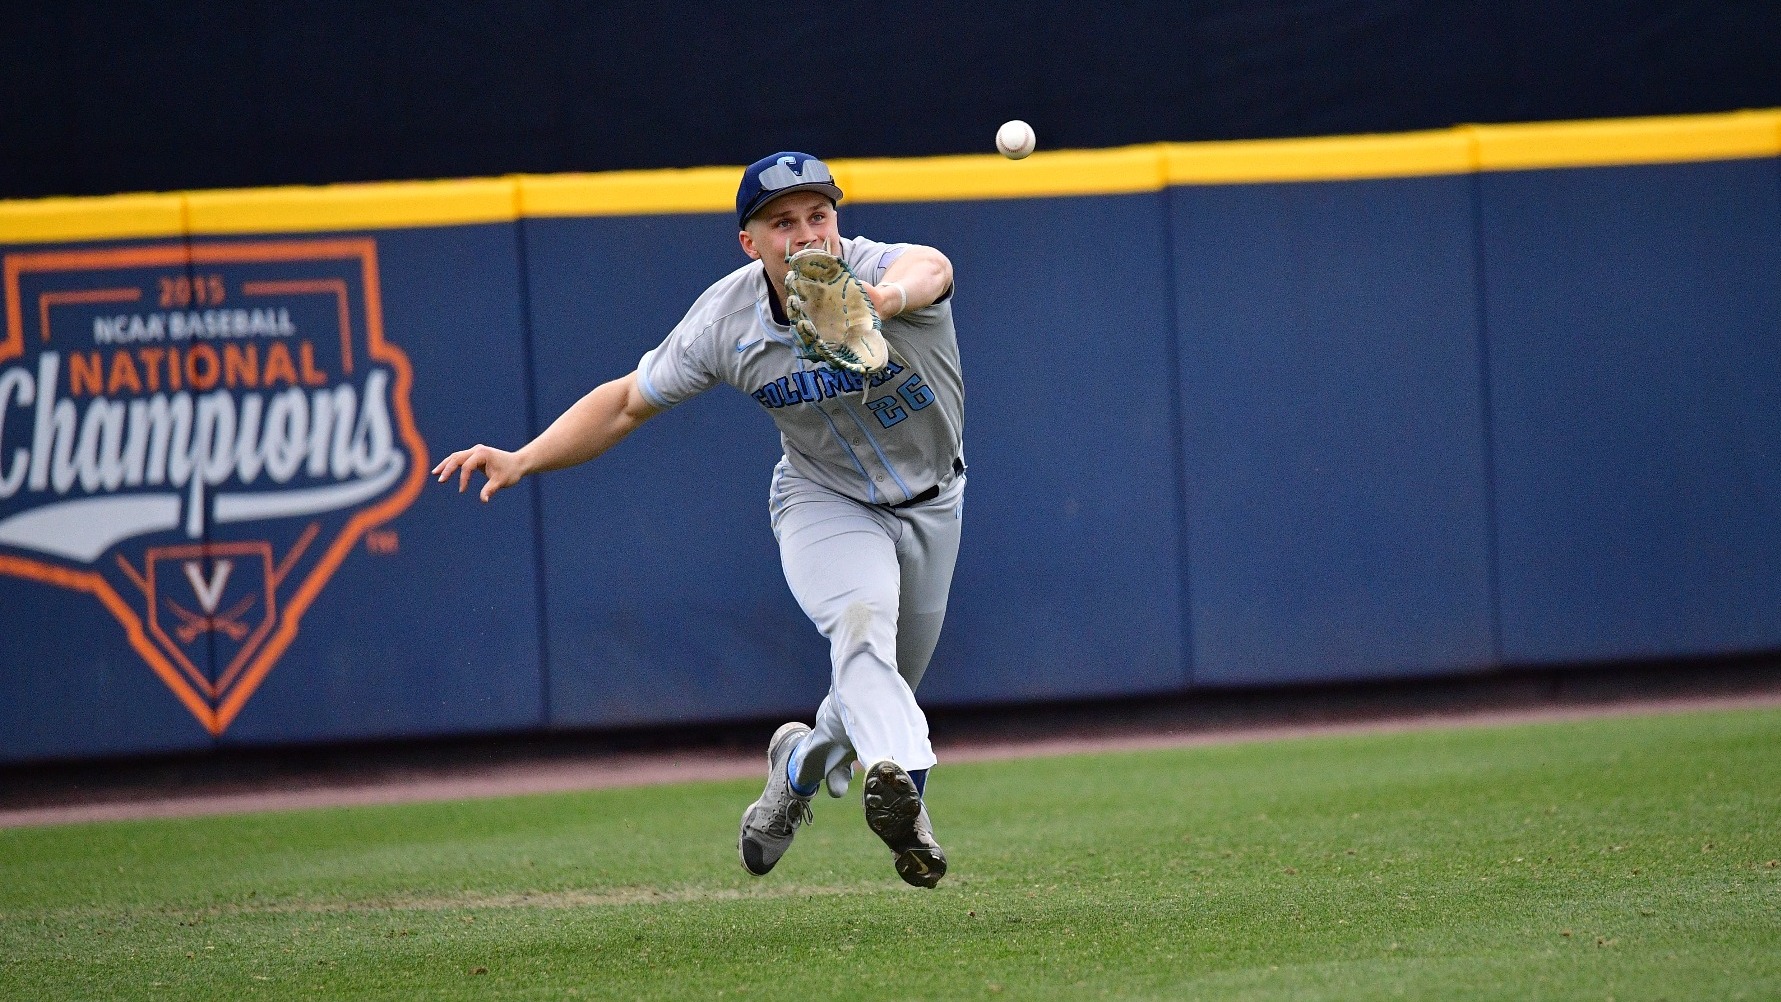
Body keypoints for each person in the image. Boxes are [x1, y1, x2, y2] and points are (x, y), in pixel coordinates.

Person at [432, 152, 965, 889]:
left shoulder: (881, 267)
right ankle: (905, 795)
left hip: (934, 502)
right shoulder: (727, 318)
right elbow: (625, 402)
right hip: (823, 500)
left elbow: (932, 267)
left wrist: (884, 300)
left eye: (818, 215)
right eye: (782, 223)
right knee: (860, 626)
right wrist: (524, 458)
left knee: (881, 685)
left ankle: (797, 766)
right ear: (749, 242)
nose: (806, 234)